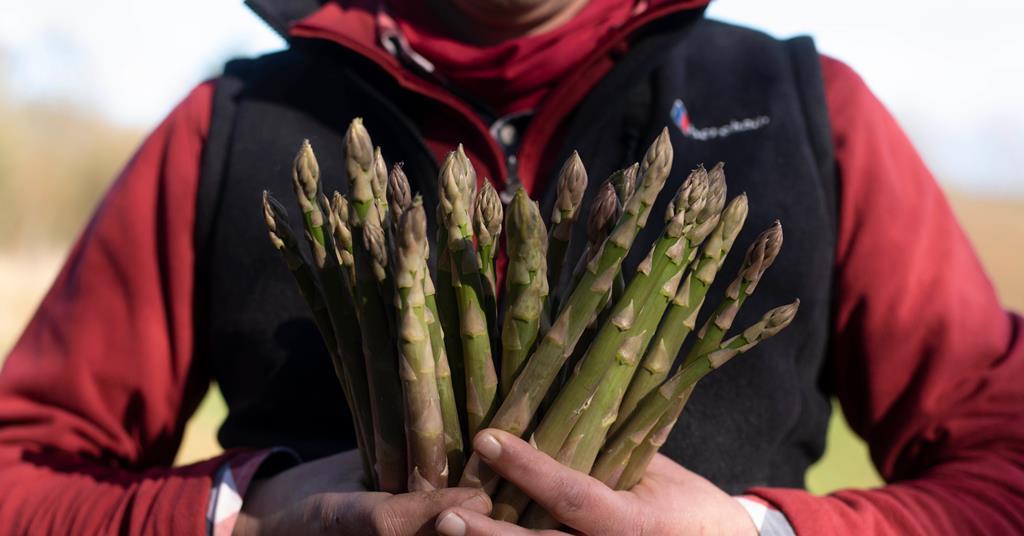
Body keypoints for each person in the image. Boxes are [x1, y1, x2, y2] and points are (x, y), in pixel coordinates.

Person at [1, 0, 1022, 534]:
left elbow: (1005, 471)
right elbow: (18, 475)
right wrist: (246, 517)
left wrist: (752, 534)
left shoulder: (809, 110)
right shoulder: (226, 133)